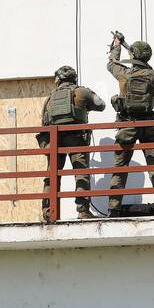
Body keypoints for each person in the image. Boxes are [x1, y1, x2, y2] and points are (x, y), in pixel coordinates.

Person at [106, 33, 154, 216]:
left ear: (133, 56)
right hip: (148, 124)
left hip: (127, 124)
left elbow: (111, 64)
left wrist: (117, 46)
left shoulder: (124, 74)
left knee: (120, 167)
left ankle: (113, 209)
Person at [38, 66, 106, 222]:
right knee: (81, 173)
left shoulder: (49, 98)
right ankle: (83, 211)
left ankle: (48, 212)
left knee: (52, 175)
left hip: (54, 140)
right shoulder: (81, 91)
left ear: (58, 80)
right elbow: (101, 105)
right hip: (76, 137)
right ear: (74, 78)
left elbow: (44, 121)